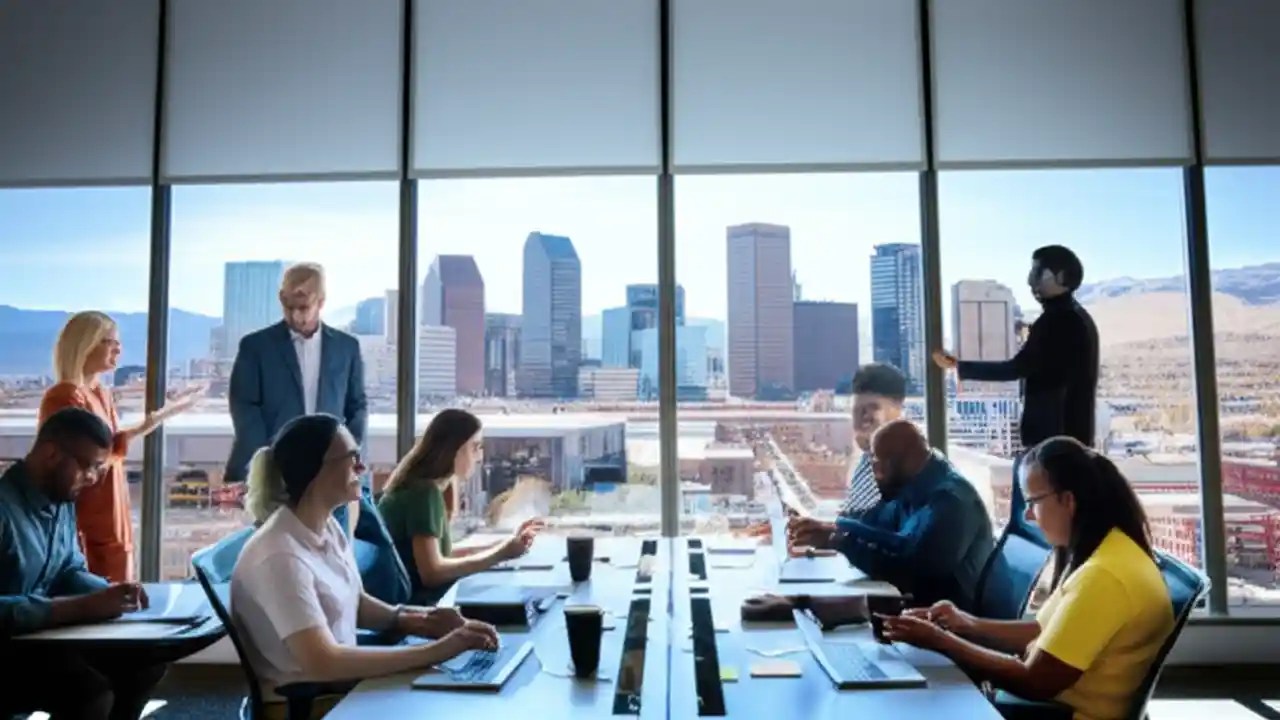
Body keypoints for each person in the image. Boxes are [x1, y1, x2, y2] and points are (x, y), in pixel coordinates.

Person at [880, 436, 1174, 720]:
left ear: (1067, 500)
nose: (1030, 516)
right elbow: (1043, 632)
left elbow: (1035, 680)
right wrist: (963, 623)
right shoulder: (1112, 551)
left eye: (1033, 502)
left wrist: (941, 641)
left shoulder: (1104, 577)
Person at [233, 414, 499, 719]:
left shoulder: (325, 525)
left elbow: (355, 603)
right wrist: (437, 652)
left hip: (346, 684)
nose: (361, 467)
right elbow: (324, 662)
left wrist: (419, 620)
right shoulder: (279, 557)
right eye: (352, 458)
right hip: (313, 703)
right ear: (317, 470)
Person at [0, 407, 167, 720]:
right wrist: (81, 608)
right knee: (87, 693)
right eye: (87, 467)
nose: (92, 479)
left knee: (147, 662)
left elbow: (67, 569)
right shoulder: (4, 509)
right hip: (8, 646)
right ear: (51, 453)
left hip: (39, 638)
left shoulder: (60, 499)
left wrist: (112, 594)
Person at [39, 310, 201, 581]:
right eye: (109, 341)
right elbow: (94, 456)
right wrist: (160, 417)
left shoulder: (101, 393)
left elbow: (111, 446)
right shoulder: (64, 396)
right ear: (85, 345)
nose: (118, 348)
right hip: (87, 517)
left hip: (109, 512)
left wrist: (164, 414)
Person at [795, 419, 993, 611]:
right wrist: (832, 528)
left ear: (909, 460)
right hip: (917, 608)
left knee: (807, 611)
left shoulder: (951, 502)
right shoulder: (913, 486)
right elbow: (879, 524)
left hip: (948, 623)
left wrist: (839, 541)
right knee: (804, 607)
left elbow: (912, 572)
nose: (875, 474)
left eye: (879, 465)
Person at [933, 245, 1099, 450]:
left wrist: (959, 366)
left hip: (1053, 442)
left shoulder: (1058, 321)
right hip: (1067, 439)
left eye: (1038, 272)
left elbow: (1017, 368)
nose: (1030, 281)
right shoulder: (1077, 317)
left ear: (1061, 277)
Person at [378, 409, 545, 605]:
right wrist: (502, 553)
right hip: (417, 608)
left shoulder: (419, 487)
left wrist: (506, 545)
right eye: (475, 447)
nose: (480, 456)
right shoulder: (423, 493)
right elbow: (432, 573)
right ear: (453, 449)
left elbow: (443, 555)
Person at [226, 263, 368, 485]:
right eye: (288, 307)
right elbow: (244, 407)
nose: (294, 315)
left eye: (302, 308)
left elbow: (356, 405)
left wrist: (347, 454)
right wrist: (267, 460)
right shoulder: (256, 347)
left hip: (329, 469)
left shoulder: (347, 347)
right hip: (270, 471)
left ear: (321, 302)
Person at [785, 363, 908, 551]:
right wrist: (810, 525)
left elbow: (891, 540)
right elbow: (857, 517)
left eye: (871, 409)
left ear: (899, 411)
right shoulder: (868, 459)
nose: (861, 419)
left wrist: (834, 537)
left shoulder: (905, 466)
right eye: (857, 410)